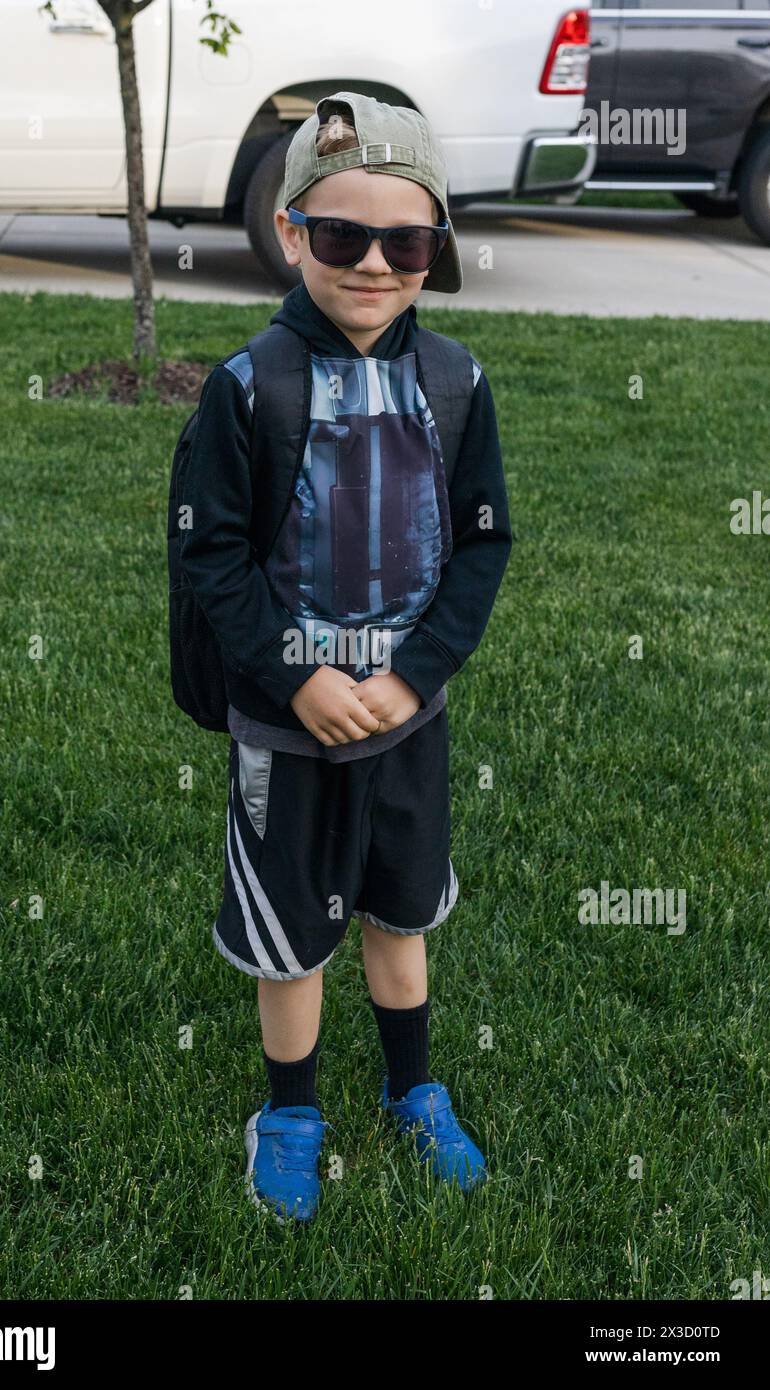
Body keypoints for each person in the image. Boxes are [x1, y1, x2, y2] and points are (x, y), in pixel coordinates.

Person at [180, 91, 512, 1222]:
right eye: (340, 234)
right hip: (289, 725)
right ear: (291, 234)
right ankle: (289, 1110)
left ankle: (413, 1086)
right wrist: (299, 677)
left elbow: (482, 546)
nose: (373, 263)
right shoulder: (246, 388)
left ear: (436, 250)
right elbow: (214, 558)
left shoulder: (458, 383)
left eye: (405, 243)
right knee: (292, 935)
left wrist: (415, 675)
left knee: (399, 910)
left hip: (408, 720)